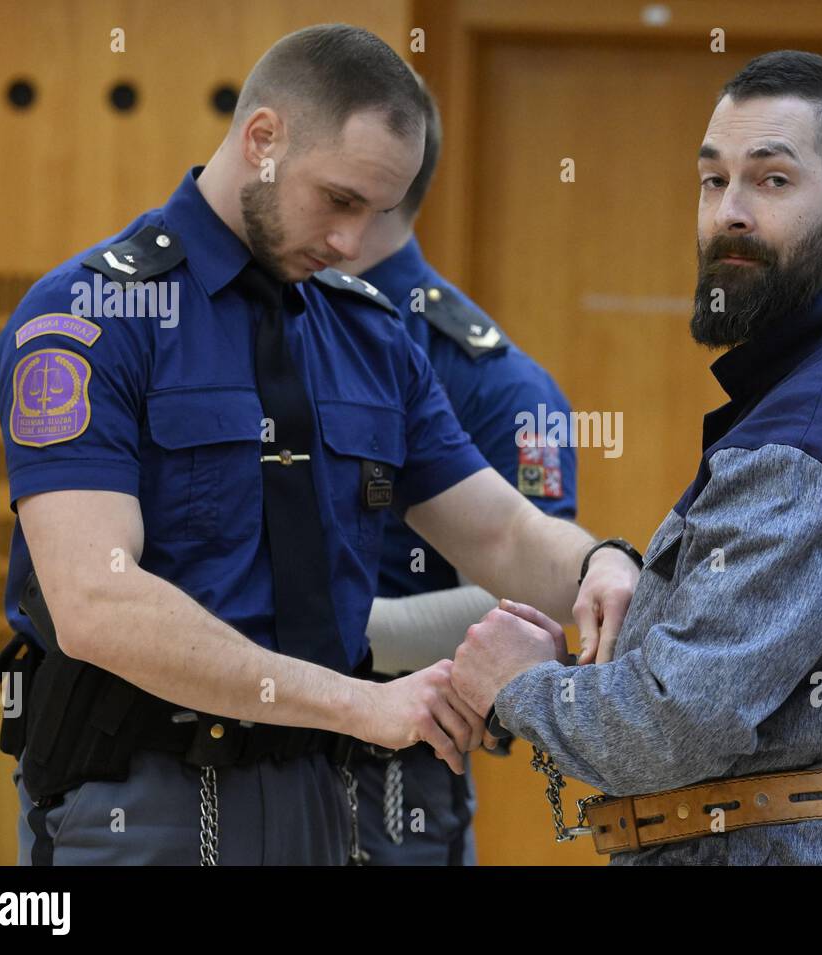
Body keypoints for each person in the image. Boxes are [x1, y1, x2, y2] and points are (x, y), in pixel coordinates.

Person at [0, 23, 637, 866]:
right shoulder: (92, 316)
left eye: (375, 213)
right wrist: (357, 704)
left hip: (320, 794)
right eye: (338, 200)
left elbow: (502, 531)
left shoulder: (368, 332)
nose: (349, 241)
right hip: (137, 797)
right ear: (262, 138)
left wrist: (604, 565)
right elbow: (97, 603)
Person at [451, 50, 822, 865]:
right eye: (714, 181)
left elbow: (671, 722)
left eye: (772, 180)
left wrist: (521, 684)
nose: (729, 213)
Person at [340, 78, 578, 865]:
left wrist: (295, 636)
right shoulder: (261, 330)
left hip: (393, 779)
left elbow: (525, 602)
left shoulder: (495, 381)